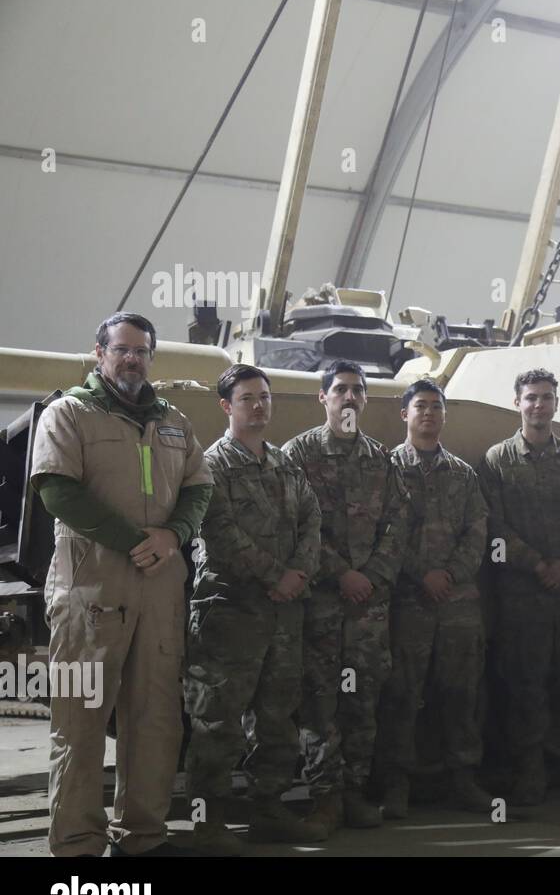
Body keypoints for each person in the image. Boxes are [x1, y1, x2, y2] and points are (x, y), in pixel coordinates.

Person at [30, 312, 213, 856]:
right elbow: (56, 489)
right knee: (80, 727)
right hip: (90, 593)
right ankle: (78, 844)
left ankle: (142, 837)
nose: (132, 358)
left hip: (159, 591)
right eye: (122, 349)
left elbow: (199, 488)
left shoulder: (175, 421)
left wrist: (175, 534)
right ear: (100, 352)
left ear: (152, 357)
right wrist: (136, 539)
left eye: (142, 351)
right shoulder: (70, 413)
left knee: (155, 720)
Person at [186, 364, 325, 855]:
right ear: (227, 406)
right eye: (247, 398)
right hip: (231, 611)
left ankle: (268, 809)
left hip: (284, 615)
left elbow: (312, 520)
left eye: (264, 397)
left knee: (277, 718)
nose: (259, 406)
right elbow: (219, 535)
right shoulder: (211, 464)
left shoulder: (285, 463)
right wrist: (275, 577)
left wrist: (299, 575)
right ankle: (208, 821)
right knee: (216, 720)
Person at [477, 369, 560, 804]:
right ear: (517, 403)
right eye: (531, 398)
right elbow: (493, 526)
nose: (539, 405)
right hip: (524, 594)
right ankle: (529, 769)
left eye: (547, 397)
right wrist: (537, 563)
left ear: (557, 403)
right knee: (525, 683)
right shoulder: (496, 461)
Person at [283, 360, 407, 832]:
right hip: (322, 605)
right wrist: (342, 575)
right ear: (323, 397)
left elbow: (398, 526)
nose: (349, 396)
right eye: (340, 389)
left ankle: (355, 792)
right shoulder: (297, 456)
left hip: (369, 610)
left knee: (362, 703)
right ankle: (324, 798)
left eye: (357, 390)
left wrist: (370, 575)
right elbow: (296, 527)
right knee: (320, 703)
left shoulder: (381, 459)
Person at [374, 379, 494, 817]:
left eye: (436, 407)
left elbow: (477, 531)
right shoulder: (385, 469)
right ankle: (396, 784)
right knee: (402, 696)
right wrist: (421, 573)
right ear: (404, 414)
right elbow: (380, 533)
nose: (429, 413)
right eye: (420, 406)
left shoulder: (462, 474)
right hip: (407, 602)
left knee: (461, 694)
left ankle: (464, 779)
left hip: (458, 604)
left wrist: (450, 574)